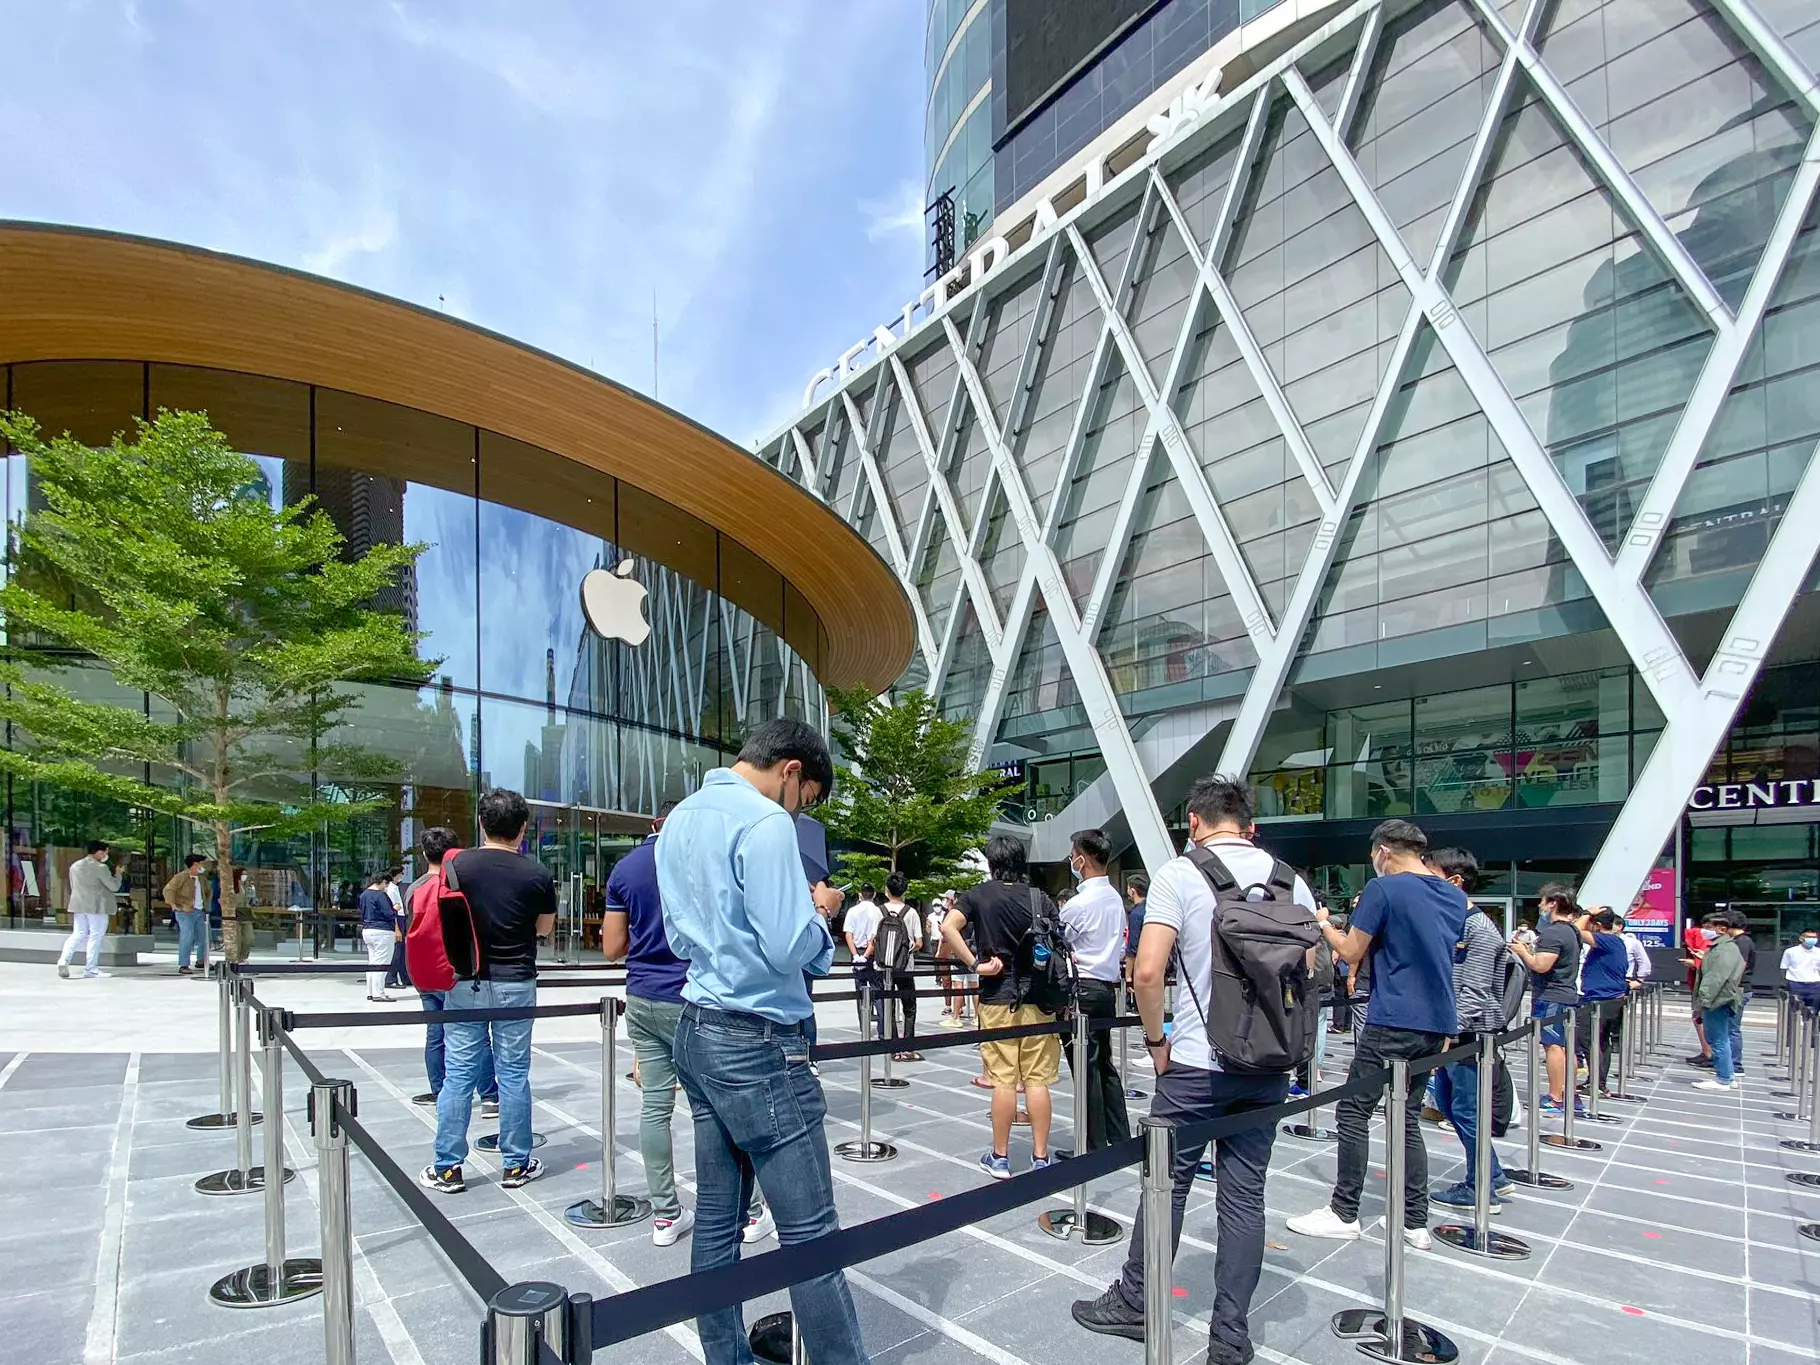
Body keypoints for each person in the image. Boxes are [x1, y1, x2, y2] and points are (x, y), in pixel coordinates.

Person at [1071, 776, 1307, 1363]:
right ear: (1249, 825)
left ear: (1195, 824)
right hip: (1269, 1063)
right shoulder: (1289, 879)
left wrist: (1157, 1043)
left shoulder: (1181, 874)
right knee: (1245, 1197)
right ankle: (1230, 1337)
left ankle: (1135, 1302)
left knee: (1165, 1187)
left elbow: (1147, 972)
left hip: (1197, 1064)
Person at [656, 719, 863, 1365]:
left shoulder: (683, 816)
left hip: (697, 1023)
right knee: (811, 1235)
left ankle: (726, 1356)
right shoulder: (767, 822)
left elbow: (681, 936)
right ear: (793, 770)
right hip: (759, 1037)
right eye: (807, 799)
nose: (801, 811)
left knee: (718, 1221)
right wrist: (820, 912)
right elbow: (786, 947)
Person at [601, 802, 772, 1248]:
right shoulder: (701, 860)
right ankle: (750, 1213)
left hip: (641, 996)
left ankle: (665, 1215)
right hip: (694, 996)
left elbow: (611, 947)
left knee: (655, 1106)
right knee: (719, 1106)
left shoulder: (626, 868)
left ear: (652, 824)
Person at [1289, 819, 1465, 1250]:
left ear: (1383, 851)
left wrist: (1320, 923)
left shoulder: (1383, 889)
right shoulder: (1454, 897)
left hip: (1393, 1017)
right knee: (1405, 1118)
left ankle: (1344, 1211)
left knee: (1353, 1111)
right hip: (1438, 1020)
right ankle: (1413, 1220)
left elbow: (1350, 951)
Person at [421, 788, 555, 1194]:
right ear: (523, 828)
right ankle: (515, 1164)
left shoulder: (456, 864)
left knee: (459, 1074)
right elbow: (544, 929)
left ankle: (447, 1167)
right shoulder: (536, 873)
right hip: (516, 981)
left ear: (481, 823)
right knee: (513, 1074)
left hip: (466, 981)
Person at [940, 834, 1062, 1179]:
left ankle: (1001, 1157)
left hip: (996, 996)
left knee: (1004, 1079)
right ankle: (1041, 1157)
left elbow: (948, 927)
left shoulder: (978, 895)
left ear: (992, 864)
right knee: (1038, 1080)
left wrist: (973, 964)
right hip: (1039, 999)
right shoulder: (1040, 897)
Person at [1425, 847, 1514, 1213]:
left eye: (1430, 876)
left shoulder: (1478, 930)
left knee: (1465, 1110)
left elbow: (1475, 993)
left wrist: (1447, 1034)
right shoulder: (1453, 923)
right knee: (1452, 1105)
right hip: (1456, 1033)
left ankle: (1481, 1189)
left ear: (1455, 881)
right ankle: (1492, 1176)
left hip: (1469, 1035)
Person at [407, 829, 498, 1119]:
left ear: (424, 854)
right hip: (461, 972)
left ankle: (439, 1090)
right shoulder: (463, 885)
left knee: (435, 1033)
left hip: (426, 972)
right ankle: (489, 1096)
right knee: (478, 1034)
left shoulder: (414, 888)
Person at [1059, 829, 1131, 1152]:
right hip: (1107, 988)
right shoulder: (1115, 898)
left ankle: (1091, 1144)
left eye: (1073, 853)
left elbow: (1061, 943)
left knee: (1085, 1068)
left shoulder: (1079, 903)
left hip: (1083, 991)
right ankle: (1119, 1136)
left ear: (1082, 859)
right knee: (1105, 1065)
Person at [1510, 885, 1583, 1113]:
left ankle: (1555, 1096)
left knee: (1553, 1046)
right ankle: (1568, 1093)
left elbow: (1541, 965)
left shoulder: (1554, 932)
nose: (1540, 906)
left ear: (1553, 903)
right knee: (1565, 1046)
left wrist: (1523, 952)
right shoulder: (1571, 931)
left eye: (1542, 901)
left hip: (1552, 996)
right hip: (1566, 995)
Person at [1575, 909, 1630, 1096]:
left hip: (1601, 999)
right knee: (1600, 1042)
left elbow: (1574, 931)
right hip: (1608, 997)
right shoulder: (1613, 942)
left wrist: (1586, 913)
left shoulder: (1608, 940)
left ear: (1597, 926)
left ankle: (1597, 1083)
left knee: (1588, 1039)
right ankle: (1597, 1081)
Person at [1692, 912, 1746, 1091]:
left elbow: (1715, 978)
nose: (1704, 931)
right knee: (1720, 1038)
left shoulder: (1724, 950)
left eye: (1708, 928)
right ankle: (1728, 1075)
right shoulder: (1720, 948)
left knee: (1718, 1039)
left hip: (1718, 1000)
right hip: (1719, 999)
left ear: (1721, 929)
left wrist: (1703, 1002)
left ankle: (1723, 1077)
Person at [875, 872, 923, 1061]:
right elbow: (919, 942)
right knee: (909, 1007)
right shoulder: (910, 912)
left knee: (888, 1007)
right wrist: (907, 950)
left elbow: (874, 938)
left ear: (886, 890)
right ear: (904, 890)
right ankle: (908, 1046)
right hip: (905, 967)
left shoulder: (878, 911)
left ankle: (893, 1048)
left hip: (882, 968)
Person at [57, 841, 123, 980]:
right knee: (95, 936)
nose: (106, 855)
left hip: (79, 904)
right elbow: (113, 886)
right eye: (105, 852)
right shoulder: (100, 867)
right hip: (96, 906)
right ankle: (91, 968)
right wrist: (118, 874)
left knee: (78, 933)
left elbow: (72, 885)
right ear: (99, 852)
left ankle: (63, 960)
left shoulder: (75, 866)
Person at [843, 883, 884, 1038]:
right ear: (873, 895)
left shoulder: (852, 911)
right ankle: (882, 1029)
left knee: (860, 992)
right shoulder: (878, 911)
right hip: (873, 953)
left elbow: (848, 934)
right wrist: (867, 955)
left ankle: (864, 1027)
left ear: (860, 894)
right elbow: (876, 936)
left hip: (857, 951)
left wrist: (856, 956)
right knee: (878, 992)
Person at [164, 853, 210, 976]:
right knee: (187, 936)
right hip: (185, 911)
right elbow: (168, 890)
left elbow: (207, 892)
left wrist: (207, 906)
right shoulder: (181, 877)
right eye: (202, 863)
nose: (204, 866)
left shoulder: (202, 878)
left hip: (200, 911)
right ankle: (184, 964)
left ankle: (201, 960)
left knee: (204, 936)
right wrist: (173, 905)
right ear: (195, 864)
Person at [1681, 920, 1718, 1066]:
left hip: (1710, 989)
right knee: (1699, 1018)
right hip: (1703, 986)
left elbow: (1718, 967)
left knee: (1703, 1019)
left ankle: (1712, 1055)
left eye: (1708, 928)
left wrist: (1696, 963)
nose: (1703, 931)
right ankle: (1707, 1051)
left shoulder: (1724, 946)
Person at [360, 871, 399, 1003]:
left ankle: (370, 991)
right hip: (382, 931)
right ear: (381, 882)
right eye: (385, 883)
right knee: (382, 963)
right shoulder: (381, 895)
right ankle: (379, 993)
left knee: (372, 962)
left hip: (367, 929)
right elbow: (389, 913)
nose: (386, 886)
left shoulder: (364, 895)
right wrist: (395, 908)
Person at [384, 867, 412, 992]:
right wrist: (396, 928)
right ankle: (391, 978)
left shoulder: (395, 887)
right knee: (397, 951)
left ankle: (405, 977)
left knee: (402, 951)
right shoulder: (390, 888)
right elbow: (392, 910)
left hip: (401, 917)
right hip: (397, 919)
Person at [1782, 925, 1820, 1010]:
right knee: (1793, 1013)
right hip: (1795, 984)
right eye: (1809, 937)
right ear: (1801, 938)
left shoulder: (1818, 952)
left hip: (1815, 985)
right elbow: (1784, 968)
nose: (1812, 939)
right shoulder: (1790, 952)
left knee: (1813, 1013)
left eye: (1814, 937)